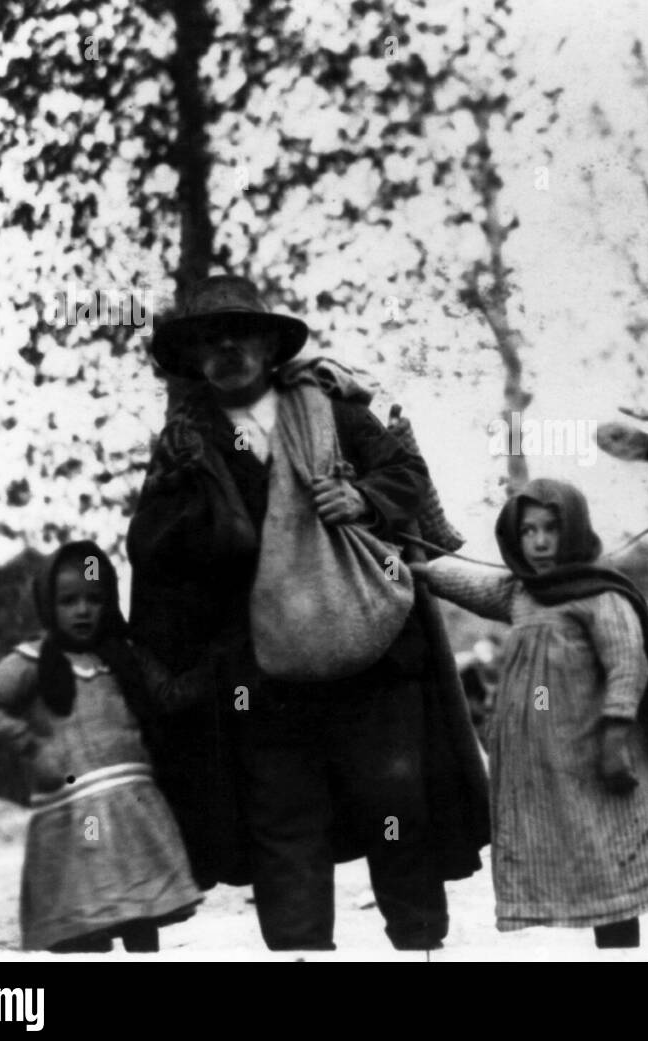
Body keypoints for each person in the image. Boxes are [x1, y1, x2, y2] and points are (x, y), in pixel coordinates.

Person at [126, 274, 489, 952]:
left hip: (369, 649)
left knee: (396, 811)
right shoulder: (184, 443)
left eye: (241, 331)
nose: (227, 345)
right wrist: (181, 499)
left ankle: (421, 947)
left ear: (269, 344)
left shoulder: (334, 408)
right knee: (284, 829)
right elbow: (153, 556)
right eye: (209, 337)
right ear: (194, 358)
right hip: (262, 673)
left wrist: (366, 500)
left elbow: (407, 472)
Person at [413, 478, 648, 947]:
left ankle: (619, 950)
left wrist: (614, 738)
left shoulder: (600, 593)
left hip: (599, 754)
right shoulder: (522, 593)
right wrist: (417, 569)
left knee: (614, 862)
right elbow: (468, 583)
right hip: (550, 766)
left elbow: (628, 662)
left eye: (551, 529)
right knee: (577, 861)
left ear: (575, 531)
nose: (540, 542)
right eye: (528, 532)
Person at [0, 540, 204, 953]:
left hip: (133, 809)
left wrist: (221, 671)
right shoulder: (30, 661)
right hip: (75, 816)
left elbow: (170, 696)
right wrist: (31, 746)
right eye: (68, 601)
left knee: (142, 911)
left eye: (94, 599)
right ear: (48, 603)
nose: (82, 610)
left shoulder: (125, 657)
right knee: (85, 925)